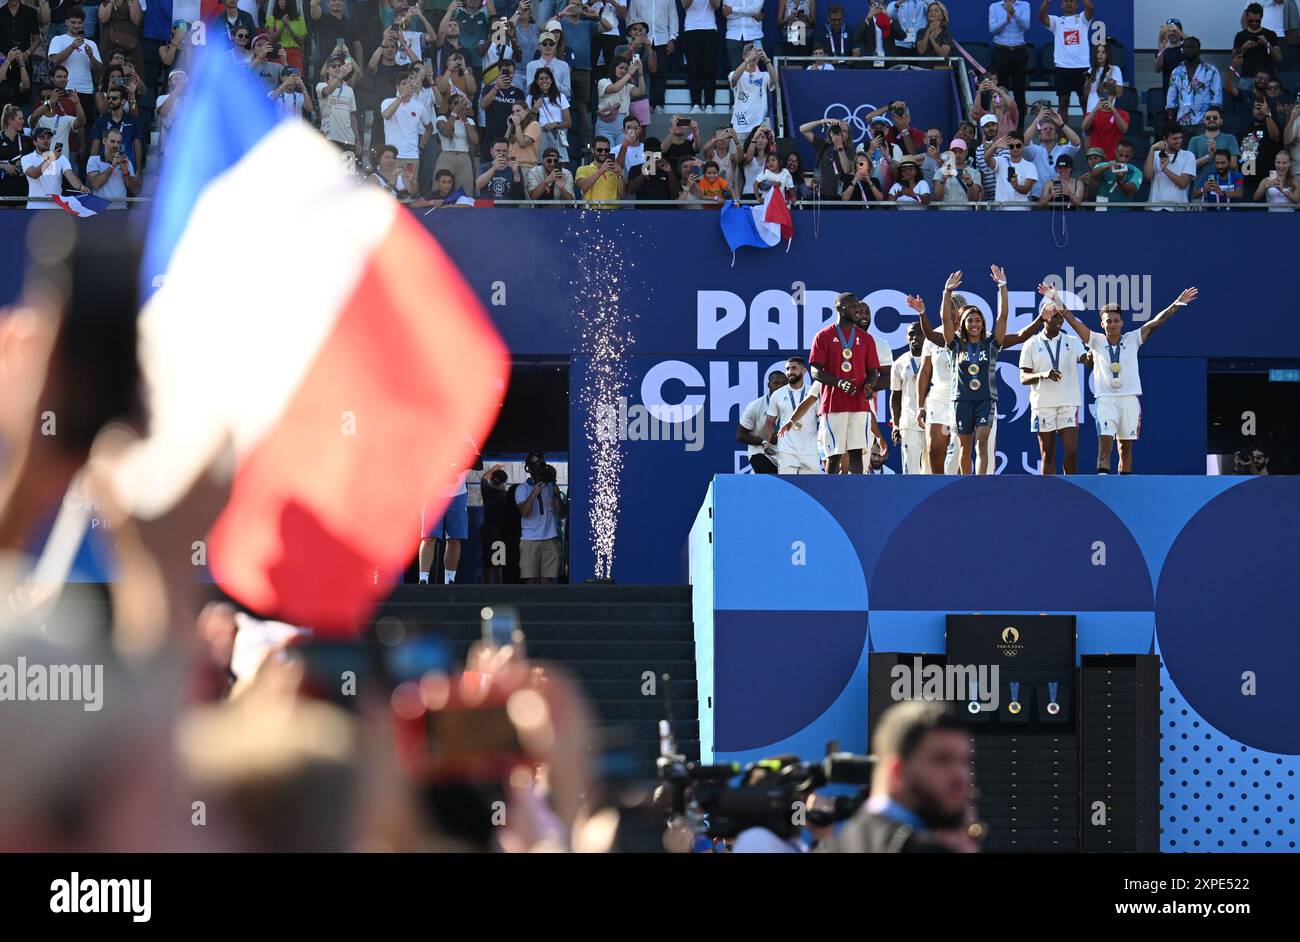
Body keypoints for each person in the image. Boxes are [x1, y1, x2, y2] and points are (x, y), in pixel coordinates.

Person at [1048, 283, 1199, 474]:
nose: (1112, 324)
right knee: (1105, 447)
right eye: (1108, 321)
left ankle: (1123, 492)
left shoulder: (1133, 339)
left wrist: (1178, 303)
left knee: (1125, 449)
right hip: (1105, 401)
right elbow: (1071, 320)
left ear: (1122, 323)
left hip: (1129, 400)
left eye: (1116, 321)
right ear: (1102, 324)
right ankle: (1103, 487)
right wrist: (1056, 299)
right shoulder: (1094, 340)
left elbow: (1156, 322)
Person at [818, 701, 972, 854]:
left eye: (965, 762)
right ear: (897, 771)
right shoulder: (919, 848)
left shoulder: (835, 846)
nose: (961, 777)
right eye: (942, 760)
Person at [805, 293, 880, 475]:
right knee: (834, 454)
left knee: (856, 453)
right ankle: (830, 496)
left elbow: (873, 372)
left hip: (859, 403)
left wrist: (869, 385)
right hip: (833, 404)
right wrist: (838, 382)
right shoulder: (823, 336)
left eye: (859, 307)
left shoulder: (866, 338)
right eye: (853, 306)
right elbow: (815, 371)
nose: (858, 310)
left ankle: (857, 495)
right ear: (839, 307)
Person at [1019, 298, 1089, 474]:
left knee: (1071, 452)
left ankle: (1070, 491)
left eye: (1061, 316)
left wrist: (1095, 354)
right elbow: (1023, 377)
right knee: (1047, 454)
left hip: (1068, 402)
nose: (1059, 319)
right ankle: (1048, 496)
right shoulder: (1031, 344)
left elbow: (1087, 361)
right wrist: (1043, 374)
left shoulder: (1072, 341)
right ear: (1044, 316)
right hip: (1042, 405)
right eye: (1054, 315)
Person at [419, 449, 481, 585]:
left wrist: (460, 465)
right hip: (432, 493)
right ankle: (423, 578)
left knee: (454, 538)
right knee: (429, 537)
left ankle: (450, 579)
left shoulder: (465, 436)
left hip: (457, 494)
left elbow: (478, 463)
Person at [764, 357, 822, 475]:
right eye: (787, 369)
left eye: (794, 368)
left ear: (804, 370)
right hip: (786, 451)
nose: (790, 372)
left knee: (812, 489)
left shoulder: (814, 393)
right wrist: (766, 441)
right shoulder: (777, 394)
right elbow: (769, 422)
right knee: (787, 489)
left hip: (811, 451)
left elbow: (822, 421)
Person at [516, 452, 567, 584]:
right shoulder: (522, 488)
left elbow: (562, 513)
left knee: (547, 581)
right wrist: (533, 494)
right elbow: (524, 512)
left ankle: (547, 605)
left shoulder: (550, 486)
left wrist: (556, 495)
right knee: (530, 580)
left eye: (541, 463)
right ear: (529, 467)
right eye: (534, 464)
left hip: (551, 539)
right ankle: (530, 605)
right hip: (530, 540)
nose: (538, 467)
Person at [1038, 0, 1094, 119]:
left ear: (1076, 5)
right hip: (1062, 68)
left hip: (1082, 67)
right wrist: (1046, 2)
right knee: (1063, 103)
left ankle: (1087, 136)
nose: (1068, 3)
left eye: (1072, 1)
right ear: (1061, 4)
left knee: (1085, 102)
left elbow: (1090, 8)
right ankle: (1063, 138)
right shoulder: (1056, 21)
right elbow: (1042, 16)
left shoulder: (1083, 18)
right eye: (1065, 1)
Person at [47, 10, 102, 123]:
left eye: (79, 23)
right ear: (66, 22)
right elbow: (55, 60)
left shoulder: (91, 44)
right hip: (65, 89)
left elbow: (99, 70)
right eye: (73, 22)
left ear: (83, 24)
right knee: (65, 124)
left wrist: (91, 56)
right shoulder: (58, 39)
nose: (76, 26)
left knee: (85, 126)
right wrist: (72, 46)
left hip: (86, 90)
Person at [888, 323, 927, 474]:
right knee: (911, 470)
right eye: (911, 333)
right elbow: (895, 396)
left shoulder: (935, 359)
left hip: (933, 421)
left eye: (920, 334)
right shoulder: (899, 363)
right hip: (909, 423)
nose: (915, 337)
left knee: (932, 470)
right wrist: (896, 424)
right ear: (906, 337)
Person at [21, 124, 91, 207]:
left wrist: (81, 186)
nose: (46, 140)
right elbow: (34, 174)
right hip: (35, 207)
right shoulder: (27, 158)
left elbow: (71, 176)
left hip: (56, 208)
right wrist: (50, 159)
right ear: (34, 142)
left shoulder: (61, 158)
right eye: (42, 138)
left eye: (48, 138)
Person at [1164, 37, 1221, 136]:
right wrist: (1171, 119)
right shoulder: (1176, 71)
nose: (1189, 49)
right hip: (1182, 123)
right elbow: (1171, 98)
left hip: (1203, 123)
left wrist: (1209, 120)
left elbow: (1217, 97)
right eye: (1186, 47)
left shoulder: (1211, 70)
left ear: (1199, 50)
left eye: (1192, 47)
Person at [738, 369, 787, 474]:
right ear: (768, 385)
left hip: (786, 455)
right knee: (767, 478)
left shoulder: (794, 407)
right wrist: (765, 441)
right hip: (762, 453)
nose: (780, 386)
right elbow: (740, 436)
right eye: (776, 383)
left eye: (784, 383)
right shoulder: (755, 406)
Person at [989, 1, 1031, 123]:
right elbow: (992, 29)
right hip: (1001, 50)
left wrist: (1014, 14)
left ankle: (1019, 128)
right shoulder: (994, 6)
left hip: (1019, 50)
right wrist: (1006, 20)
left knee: (1020, 92)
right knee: (1000, 91)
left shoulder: (1024, 5)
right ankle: (1000, 124)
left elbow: (1026, 26)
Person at [84, 126, 139, 209]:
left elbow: (135, 190)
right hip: (100, 210)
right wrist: (112, 166)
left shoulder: (126, 162)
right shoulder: (93, 160)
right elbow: (96, 184)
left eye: (119, 142)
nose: (116, 145)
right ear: (104, 141)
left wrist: (126, 173)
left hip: (120, 210)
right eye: (112, 141)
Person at [1145, 123, 1196, 210]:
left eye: (1180, 138)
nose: (1179, 141)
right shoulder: (1155, 154)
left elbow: (1183, 184)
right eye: (1174, 138)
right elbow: (1148, 175)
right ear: (1165, 139)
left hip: (1179, 209)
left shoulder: (1189, 156)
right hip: (1156, 208)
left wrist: (1165, 169)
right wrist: (1152, 149)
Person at [1187, 106, 1239, 191]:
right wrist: (1208, 157)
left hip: (1224, 190)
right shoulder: (1195, 140)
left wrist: (1216, 154)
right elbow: (1189, 165)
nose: (1211, 120)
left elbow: (1233, 165)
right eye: (1208, 118)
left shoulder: (1230, 138)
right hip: (1201, 190)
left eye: (1215, 118)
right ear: (1204, 121)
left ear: (1221, 121)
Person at [681, 0, 720, 112]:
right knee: (694, 68)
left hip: (709, 28)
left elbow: (716, 5)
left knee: (710, 68)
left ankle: (709, 105)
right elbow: (685, 4)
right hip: (691, 29)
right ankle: (696, 104)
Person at [729, 42, 775, 135]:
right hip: (740, 127)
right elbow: (734, 79)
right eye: (749, 54)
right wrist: (748, 60)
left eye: (755, 54)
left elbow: (774, 80)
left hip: (760, 126)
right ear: (743, 56)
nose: (753, 57)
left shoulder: (764, 75)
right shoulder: (734, 73)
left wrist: (766, 60)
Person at [1088, 141, 1142, 209]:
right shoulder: (1103, 166)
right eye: (1121, 155)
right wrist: (1105, 167)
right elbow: (1092, 175)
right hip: (1102, 208)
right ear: (1116, 152)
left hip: (1122, 210)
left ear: (1132, 155)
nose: (1123, 159)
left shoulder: (1135, 171)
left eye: (1127, 156)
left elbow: (1130, 192)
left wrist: (1120, 182)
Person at [1081, 81, 1128, 160]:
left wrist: (1113, 111)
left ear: (1113, 96)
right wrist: (1096, 109)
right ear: (1099, 96)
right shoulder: (1092, 113)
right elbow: (1084, 127)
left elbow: (1124, 129)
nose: (1107, 97)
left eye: (1109, 94)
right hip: (1096, 158)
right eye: (1103, 94)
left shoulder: (1123, 113)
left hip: (1114, 157)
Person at [1235, 3, 1283, 78]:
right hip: (1247, 76)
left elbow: (1278, 57)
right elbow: (1234, 59)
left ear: (1262, 17)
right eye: (1251, 21)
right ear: (1246, 17)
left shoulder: (1270, 34)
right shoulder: (1240, 35)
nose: (1254, 23)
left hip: (1266, 77)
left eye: (1257, 21)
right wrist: (1243, 48)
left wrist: (1267, 44)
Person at [574, 135, 624, 207]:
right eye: (599, 150)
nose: (603, 153)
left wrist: (620, 176)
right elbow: (584, 186)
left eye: (606, 150)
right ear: (592, 150)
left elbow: (622, 195)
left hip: (611, 214)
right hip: (590, 214)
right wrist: (600, 171)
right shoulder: (583, 169)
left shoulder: (615, 170)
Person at [991, 129, 1036, 208]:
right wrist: (995, 146)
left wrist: (1017, 186)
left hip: (1021, 210)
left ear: (1023, 146)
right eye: (1011, 146)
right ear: (1008, 147)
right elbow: (986, 159)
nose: (1015, 148)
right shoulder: (1000, 160)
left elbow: (1026, 189)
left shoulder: (1030, 166)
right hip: (1001, 210)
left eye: (1018, 145)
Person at [931, 139, 981, 208]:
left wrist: (970, 184)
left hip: (966, 215)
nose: (957, 155)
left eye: (960, 151)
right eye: (954, 152)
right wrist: (943, 179)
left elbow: (973, 200)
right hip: (946, 215)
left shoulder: (975, 173)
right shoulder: (940, 171)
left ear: (966, 152)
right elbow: (938, 198)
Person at [0, 103, 32, 208]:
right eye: (20, 119)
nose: (23, 121)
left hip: (22, 193)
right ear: (10, 121)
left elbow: (37, 157)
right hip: (2, 194)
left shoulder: (26, 140)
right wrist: (4, 166)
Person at [1083, 39, 1123, 115]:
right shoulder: (1090, 71)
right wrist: (1087, 86)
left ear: (1107, 55)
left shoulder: (1114, 69)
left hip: (1106, 110)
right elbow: (1087, 97)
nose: (1100, 54)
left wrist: (1109, 79)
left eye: (1103, 52)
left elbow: (1119, 93)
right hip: (1091, 110)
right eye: (1098, 52)